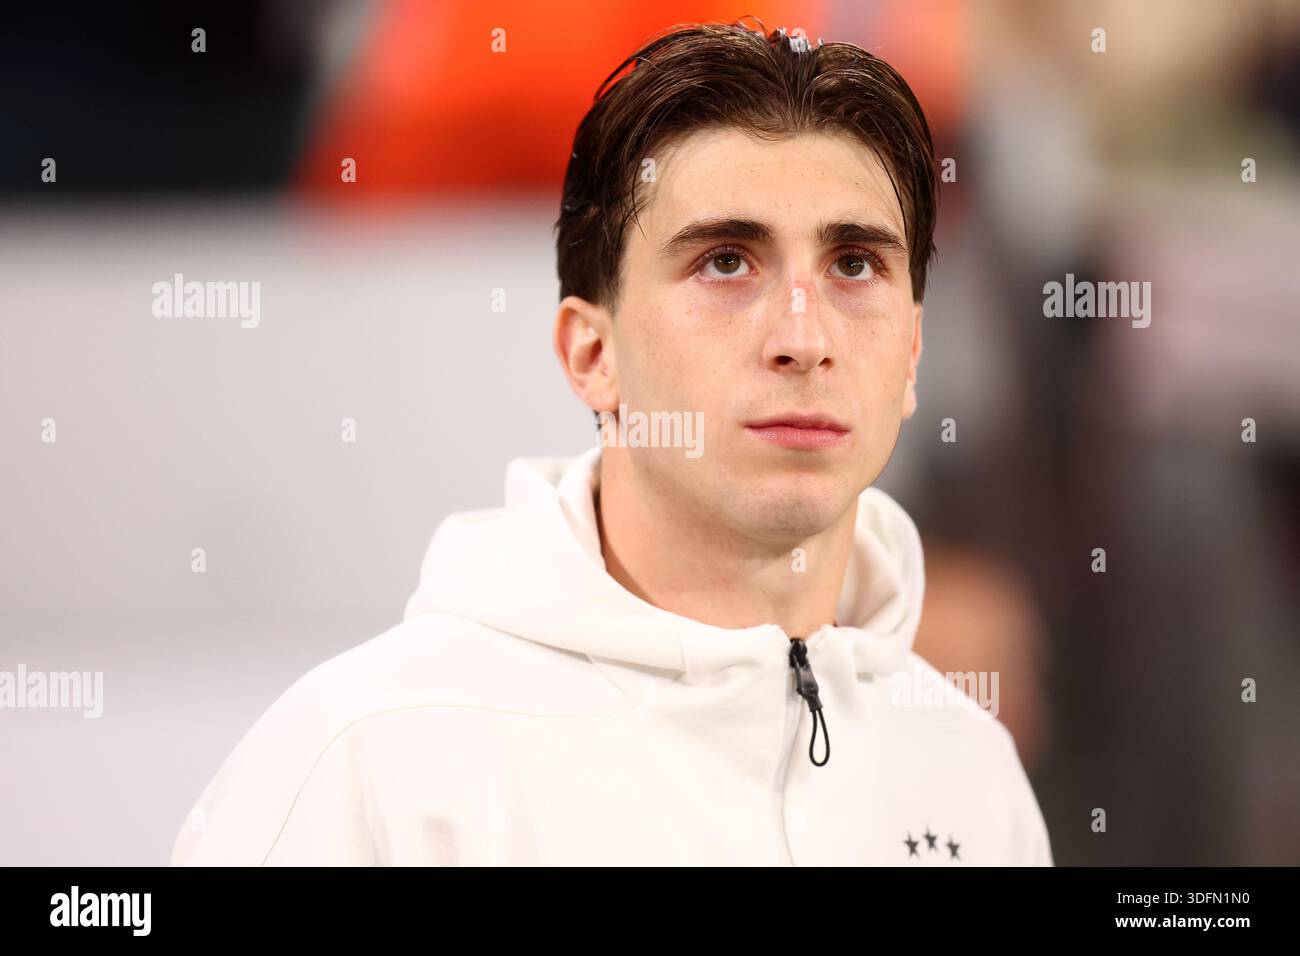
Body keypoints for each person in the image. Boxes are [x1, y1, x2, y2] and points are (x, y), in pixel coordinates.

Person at [171, 21, 1052, 866]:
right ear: (592, 356)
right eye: (726, 262)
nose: (804, 335)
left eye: (854, 264)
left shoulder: (970, 776)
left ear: (911, 355)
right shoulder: (372, 763)